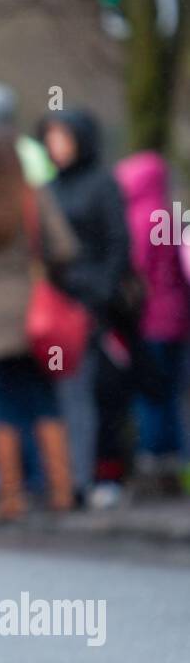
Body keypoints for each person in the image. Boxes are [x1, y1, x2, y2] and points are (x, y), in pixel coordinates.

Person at [0, 139, 77, 519]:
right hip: (35, 322)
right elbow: (64, 247)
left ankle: (10, 498)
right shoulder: (34, 197)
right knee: (45, 403)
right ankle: (59, 492)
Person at [38, 109, 131, 500]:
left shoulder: (101, 185)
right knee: (59, 397)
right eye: (51, 138)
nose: (56, 146)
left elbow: (117, 246)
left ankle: (93, 477)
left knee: (93, 395)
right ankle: (62, 479)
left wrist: (99, 296)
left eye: (64, 138)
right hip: (54, 308)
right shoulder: (49, 188)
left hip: (92, 308)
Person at [114, 151, 190, 494]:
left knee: (149, 394)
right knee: (171, 393)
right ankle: (176, 463)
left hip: (150, 321)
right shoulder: (171, 215)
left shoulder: (138, 217)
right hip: (178, 319)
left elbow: (137, 270)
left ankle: (151, 462)